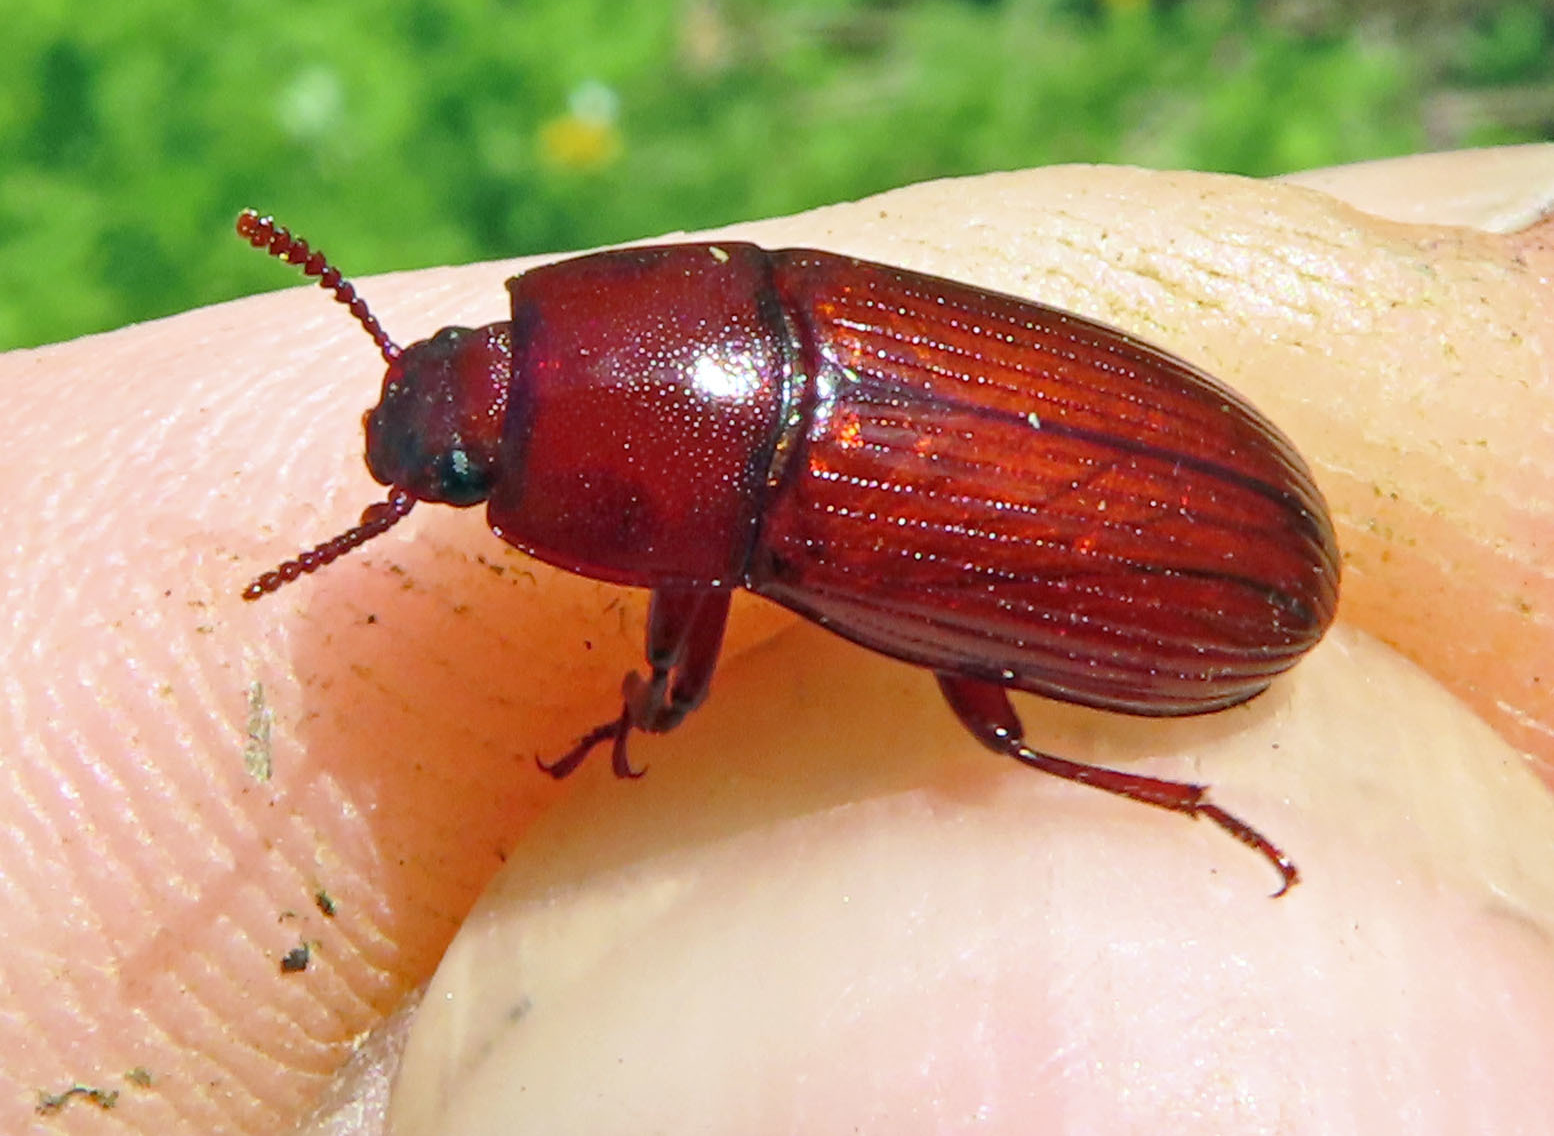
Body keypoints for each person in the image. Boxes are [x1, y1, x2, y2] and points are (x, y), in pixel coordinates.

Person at [3, 149, 1552, 1135]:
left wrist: (636, 717)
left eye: (477, 376)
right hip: (1203, 470)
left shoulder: (761, 511)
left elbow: (671, 691)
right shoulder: (783, 313)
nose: (463, 396)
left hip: (1219, 589)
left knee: (992, 736)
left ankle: (1192, 808)